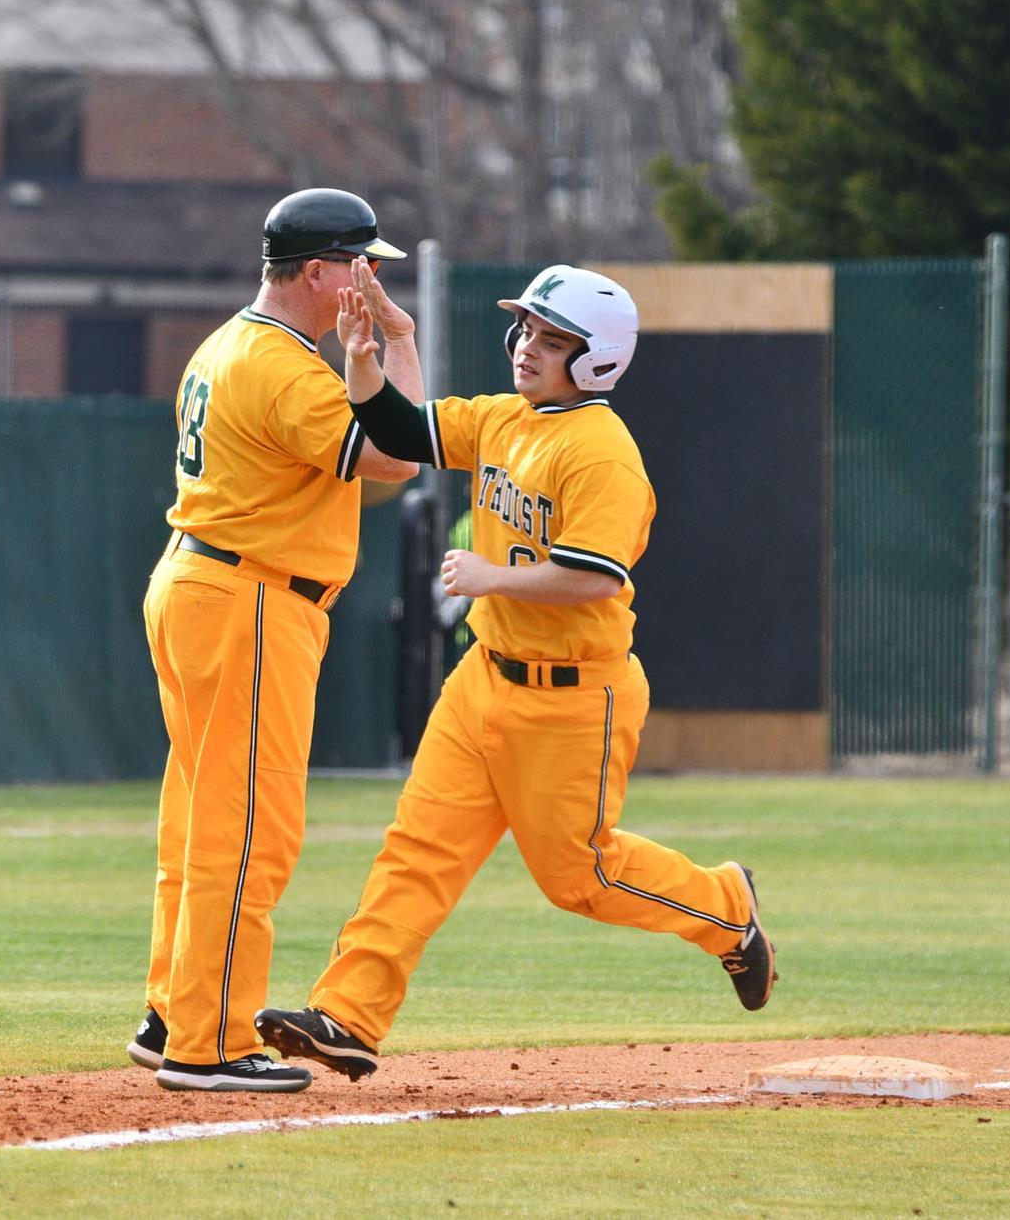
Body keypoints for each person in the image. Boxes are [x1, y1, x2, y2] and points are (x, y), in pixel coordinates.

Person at [255, 265, 775, 1081]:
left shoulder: (603, 452)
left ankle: (727, 908)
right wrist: (385, 344)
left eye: (553, 339)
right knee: (416, 850)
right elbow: (397, 431)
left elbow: (597, 575)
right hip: (484, 678)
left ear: (597, 359)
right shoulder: (504, 418)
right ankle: (348, 1017)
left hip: (575, 697)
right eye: (526, 331)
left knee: (584, 878)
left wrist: (493, 577)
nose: (528, 348)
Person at [130, 188, 423, 1093]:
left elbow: (370, 471)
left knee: (196, 819)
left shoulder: (228, 344)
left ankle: (170, 1010)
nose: (369, 278)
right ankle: (207, 1038)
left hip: (197, 581)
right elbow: (399, 456)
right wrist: (399, 347)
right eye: (359, 262)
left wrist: (379, 348)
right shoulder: (285, 367)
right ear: (319, 271)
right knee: (249, 826)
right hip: (251, 595)